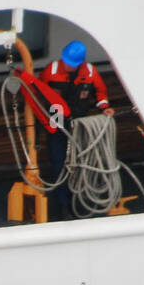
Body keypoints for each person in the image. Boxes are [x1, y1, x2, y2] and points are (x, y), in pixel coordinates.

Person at [38, 41, 112, 218]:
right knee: (59, 162)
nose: (68, 66)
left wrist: (105, 107)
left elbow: (100, 92)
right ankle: (61, 203)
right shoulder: (52, 70)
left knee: (79, 161)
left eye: (71, 64)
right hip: (57, 121)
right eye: (66, 62)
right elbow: (39, 91)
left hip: (80, 122)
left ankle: (77, 200)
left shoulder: (90, 73)